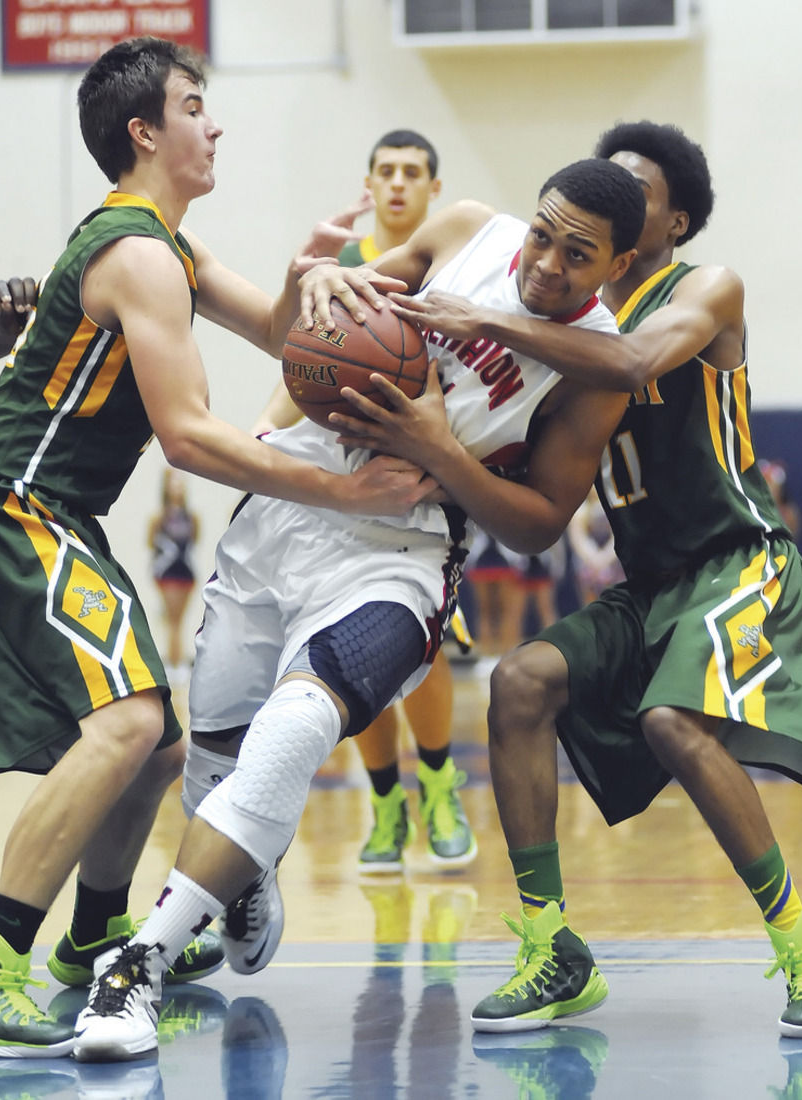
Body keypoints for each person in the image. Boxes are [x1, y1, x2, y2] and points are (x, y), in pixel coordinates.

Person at [71, 154, 647, 1061]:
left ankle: (137, 963)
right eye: (543, 234)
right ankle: (243, 872)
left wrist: (438, 448)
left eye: (577, 255)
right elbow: (334, 314)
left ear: (615, 265)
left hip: (401, 550)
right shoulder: (466, 228)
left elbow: (537, 524)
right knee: (215, 754)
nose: (545, 263)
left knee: (296, 725)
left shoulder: (595, 367)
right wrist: (329, 281)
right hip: (284, 509)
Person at [0, 36, 431, 1060]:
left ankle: (93, 939)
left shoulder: (167, 247)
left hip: (53, 510)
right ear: (146, 131)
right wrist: (341, 487)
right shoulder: (135, 253)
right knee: (129, 722)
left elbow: (285, 339)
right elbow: (187, 436)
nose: (214, 121)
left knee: (162, 749)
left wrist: (308, 278)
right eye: (195, 105)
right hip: (16, 503)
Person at [432, 120, 802, 1038]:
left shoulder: (704, 290)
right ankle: (551, 949)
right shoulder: (562, 323)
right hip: (650, 583)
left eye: (636, 189)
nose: (612, 193)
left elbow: (632, 361)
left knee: (673, 719)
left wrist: (480, 316)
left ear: (665, 229)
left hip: (738, 560)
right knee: (518, 684)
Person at [295, 129, 476, 874]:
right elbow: (302, 361)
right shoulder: (339, 265)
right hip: (351, 468)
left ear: (435, 189)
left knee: (422, 648)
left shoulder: (455, 263)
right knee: (352, 639)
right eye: (386, 172)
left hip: (431, 476)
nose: (398, 184)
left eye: (412, 173)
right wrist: (266, 427)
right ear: (368, 184)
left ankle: (437, 781)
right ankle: (385, 801)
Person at [148, 467, 200, 674]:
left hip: (185, 572)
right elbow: (151, 543)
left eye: (181, 481)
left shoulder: (191, 517)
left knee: (180, 620)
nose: (178, 486)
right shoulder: (159, 518)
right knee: (171, 620)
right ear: (166, 486)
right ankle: (171, 663)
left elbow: (194, 541)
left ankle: (178, 662)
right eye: (173, 482)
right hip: (166, 573)